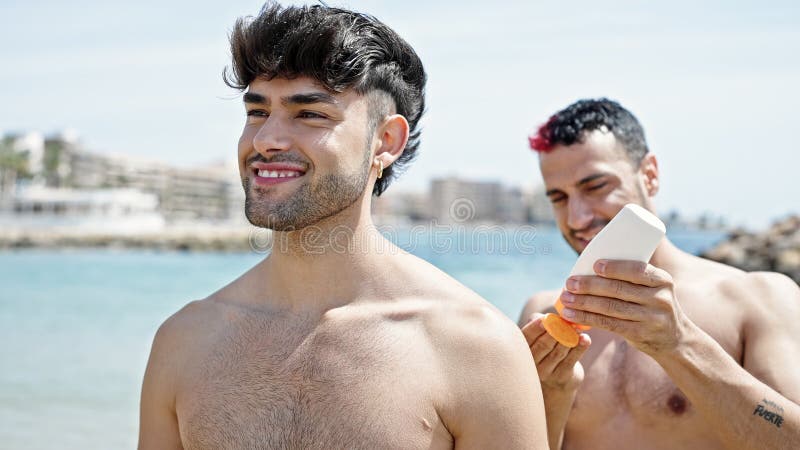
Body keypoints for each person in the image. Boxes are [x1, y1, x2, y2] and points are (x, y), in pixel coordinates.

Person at [138, 3, 548, 449]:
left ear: (385, 141)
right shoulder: (186, 341)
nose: (266, 139)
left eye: (309, 114)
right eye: (257, 112)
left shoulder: (476, 349)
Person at [519, 98, 800, 450]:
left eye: (596, 186)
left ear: (649, 175)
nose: (577, 218)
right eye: (559, 198)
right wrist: (553, 395)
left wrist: (680, 345)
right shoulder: (542, 316)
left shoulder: (758, 299)